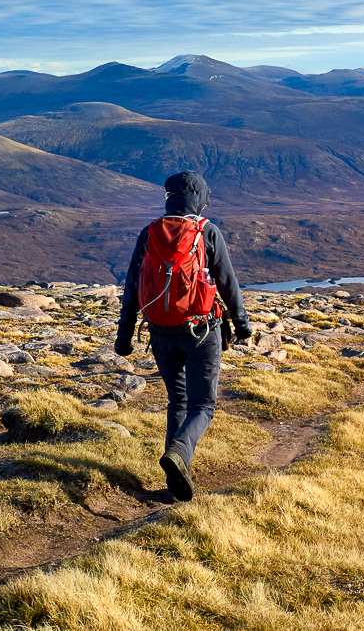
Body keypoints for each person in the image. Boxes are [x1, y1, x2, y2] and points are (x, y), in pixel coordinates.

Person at [115, 170, 252, 501]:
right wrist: (242, 324)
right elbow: (227, 283)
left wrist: (125, 335)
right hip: (201, 330)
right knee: (202, 405)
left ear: (169, 198)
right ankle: (179, 454)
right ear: (201, 199)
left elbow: (132, 286)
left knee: (177, 399)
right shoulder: (207, 231)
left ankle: (174, 481)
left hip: (160, 331)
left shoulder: (149, 233)